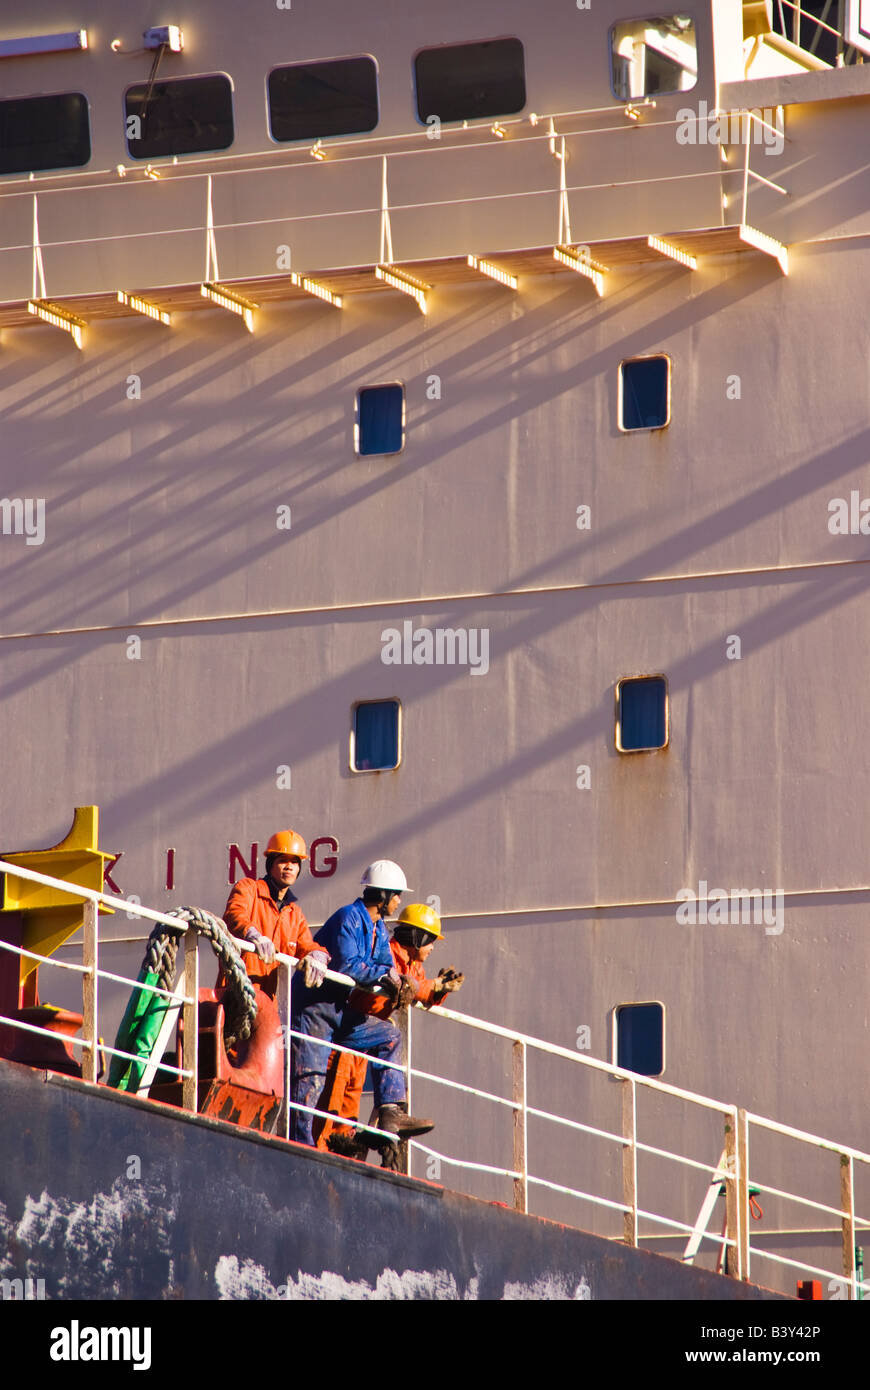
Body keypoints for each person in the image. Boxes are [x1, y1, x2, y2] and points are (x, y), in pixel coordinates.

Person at [318, 903, 464, 1166]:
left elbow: (417, 990)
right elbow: (397, 987)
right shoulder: (389, 956)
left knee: (349, 1104)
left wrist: (438, 990)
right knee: (332, 1105)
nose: (432, 948)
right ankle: (322, 1155)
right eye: (430, 941)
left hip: (367, 1039)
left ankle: (347, 1155)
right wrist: (429, 986)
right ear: (416, 937)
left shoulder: (412, 964)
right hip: (348, 1032)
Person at [289, 859, 411, 1147]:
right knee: (310, 1079)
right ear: (381, 894)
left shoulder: (379, 928)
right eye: (396, 895)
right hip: (316, 1010)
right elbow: (348, 966)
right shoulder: (349, 918)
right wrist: (386, 975)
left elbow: (384, 964)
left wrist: (399, 981)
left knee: (390, 1035)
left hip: (342, 1010)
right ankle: (298, 1144)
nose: (399, 901)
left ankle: (391, 1110)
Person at [220, 830, 328, 999]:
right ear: (270, 864)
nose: (289, 867)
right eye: (282, 861)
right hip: (235, 992)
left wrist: (318, 956)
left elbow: (307, 945)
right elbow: (235, 914)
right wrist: (253, 934)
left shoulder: (294, 914)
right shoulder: (249, 888)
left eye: (295, 862)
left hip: (269, 1000)